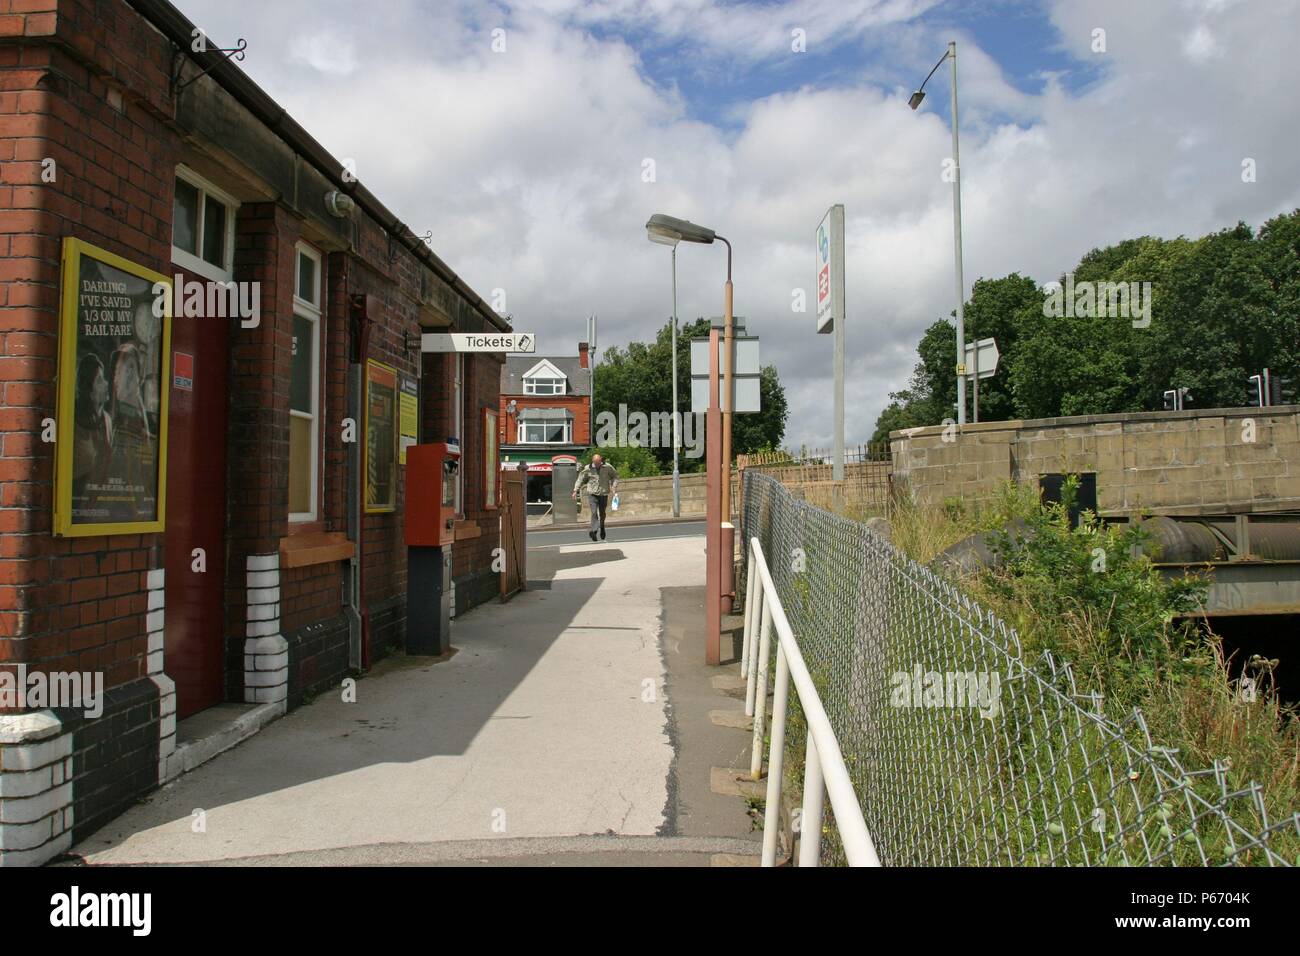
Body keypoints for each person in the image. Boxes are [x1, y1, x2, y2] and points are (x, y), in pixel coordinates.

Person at [572, 453, 619, 541]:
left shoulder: (608, 467)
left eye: (598, 463)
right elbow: (580, 479)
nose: (597, 465)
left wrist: (614, 486)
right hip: (592, 493)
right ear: (593, 461)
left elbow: (615, 476)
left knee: (602, 513)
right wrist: (575, 490)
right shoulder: (588, 468)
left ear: (601, 460)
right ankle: (594, 531)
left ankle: (602, 527)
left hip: (603, 493)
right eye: (595, 463)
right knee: (594, 513)